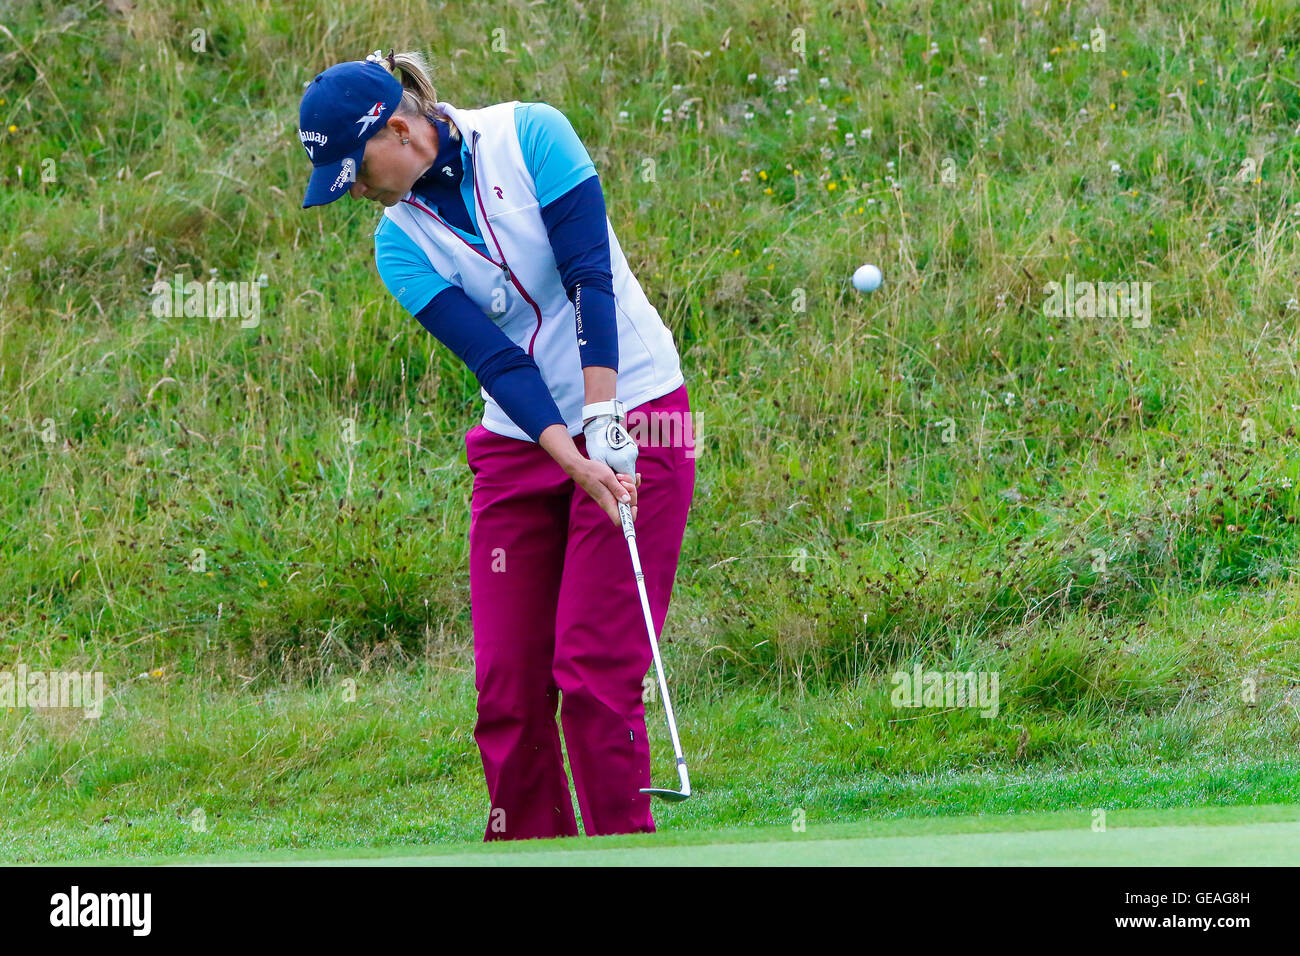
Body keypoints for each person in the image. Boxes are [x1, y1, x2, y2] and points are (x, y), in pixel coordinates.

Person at [297, 49, 696, 840]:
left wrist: (605, 418)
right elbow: (499, 360)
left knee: (590, 673)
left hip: (640, 412)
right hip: (522, 444)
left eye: (357, 168)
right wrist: (572, 454)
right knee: (507, 687)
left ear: (402, 129)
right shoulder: (398, 243)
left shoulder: (533, 136)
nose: (357, 191)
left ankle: (621, 848)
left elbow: (589, 276)